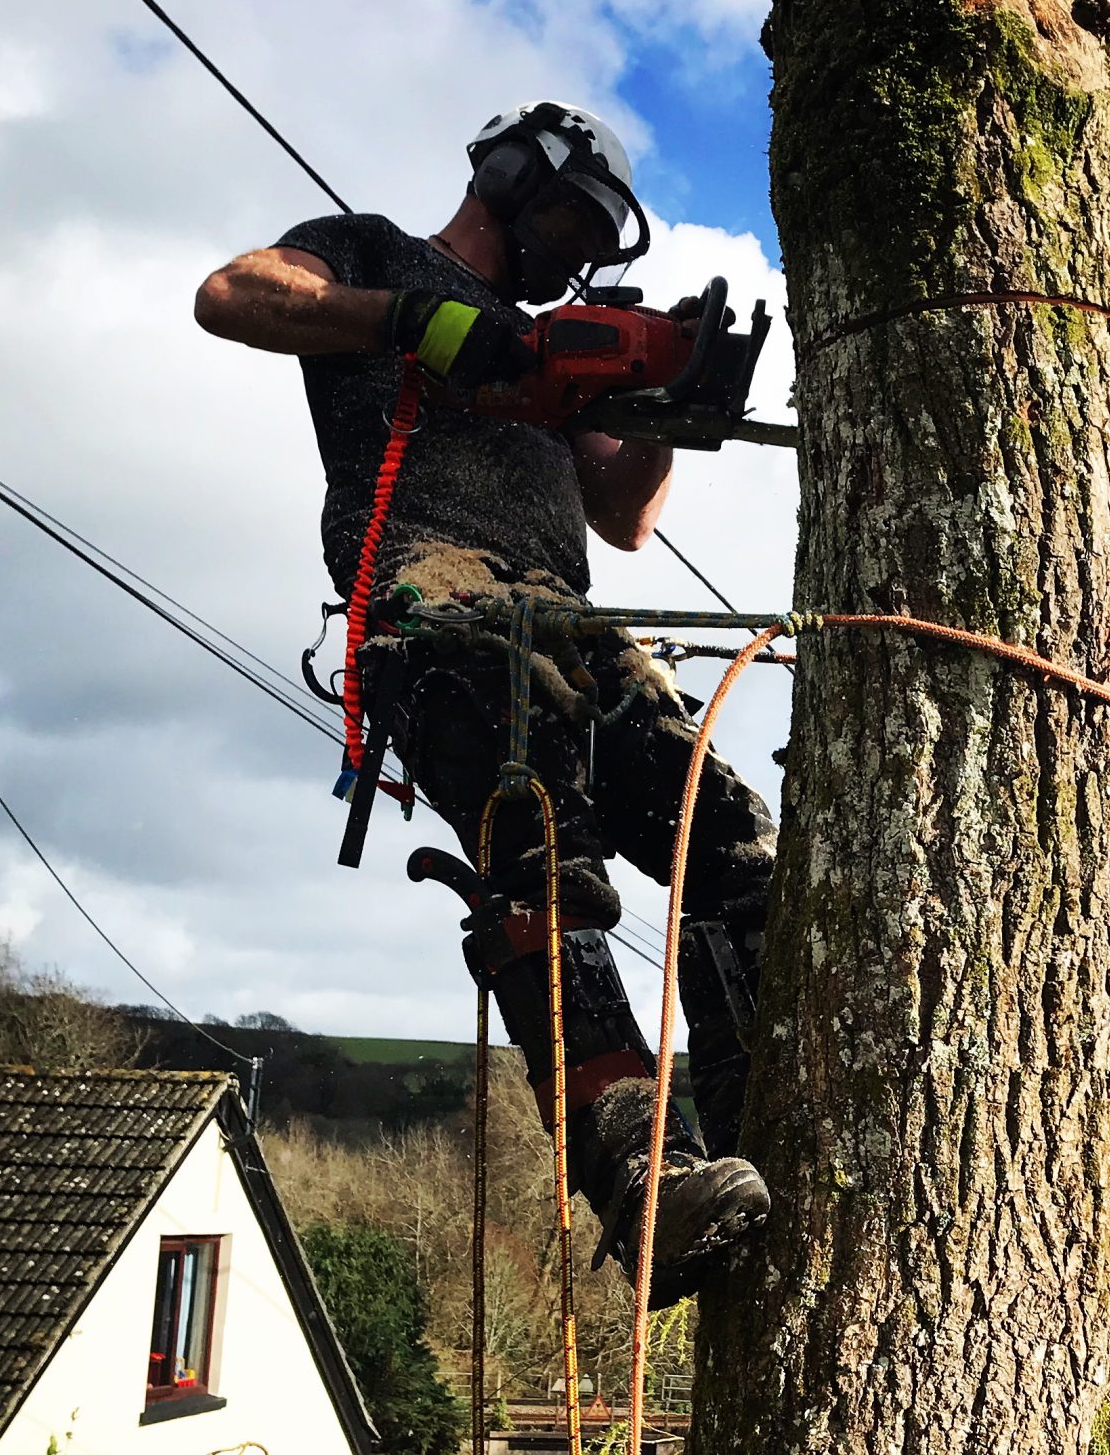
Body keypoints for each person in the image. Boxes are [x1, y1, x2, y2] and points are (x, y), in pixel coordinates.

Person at [195, 101, 774, 1304]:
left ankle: (762, 1107)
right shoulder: (369, 252)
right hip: (427, 586)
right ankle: (636, 1167)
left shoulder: (548, 346)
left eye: (595, 239)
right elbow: (233, 294)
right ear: (512, 176)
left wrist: (668, 417)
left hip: (562, 609)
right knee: (542, 847)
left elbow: (622, 518)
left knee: (729, 834)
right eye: (568, 218)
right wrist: (415, 320)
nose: (573, 254)